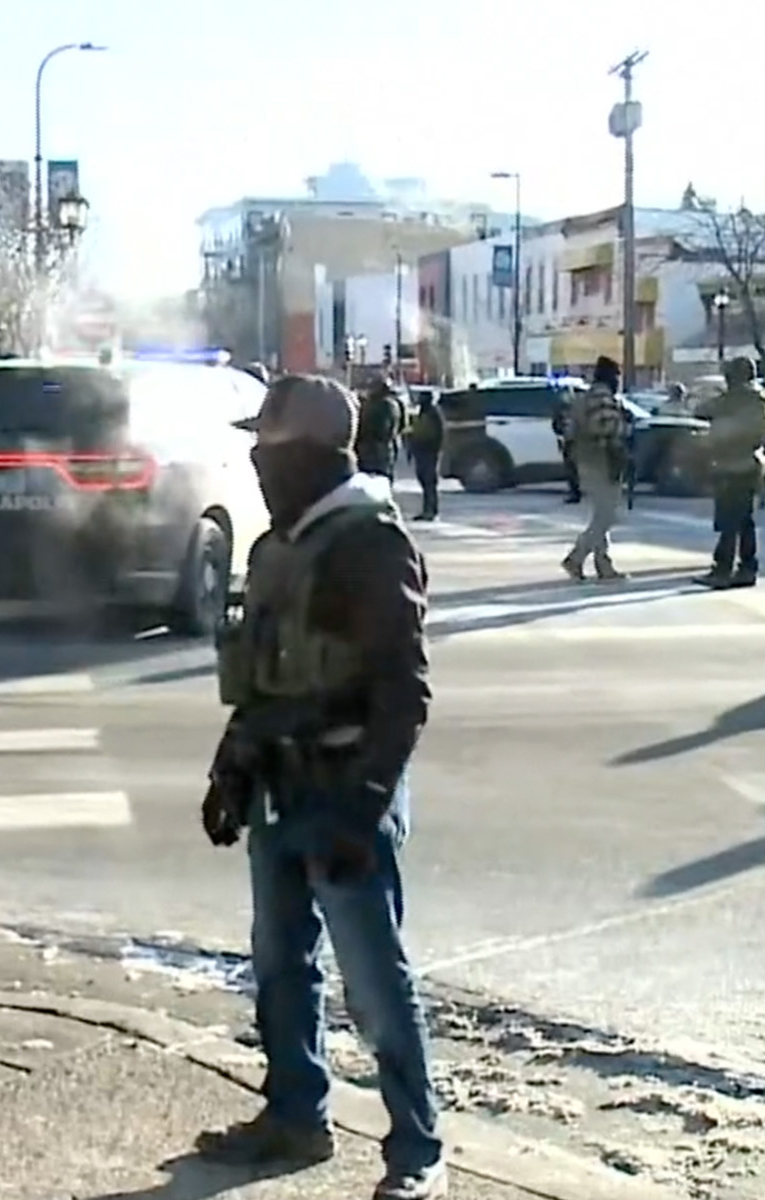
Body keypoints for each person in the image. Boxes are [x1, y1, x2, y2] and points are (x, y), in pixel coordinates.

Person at [198, 373, 445, 1200]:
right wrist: (230, 764)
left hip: (344, 790)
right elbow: (263, 675)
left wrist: (363, 806)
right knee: (280, 964)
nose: (257, 470)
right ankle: (296, 1117)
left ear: (311, 457)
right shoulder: (278, 547)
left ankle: (419, 1153)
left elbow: (402, 694)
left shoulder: (369, 543)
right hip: (279, 787)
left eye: (266, 454)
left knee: (376, 983)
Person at [694, 356, 765, 589]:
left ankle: (723, 570)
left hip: (733, 464)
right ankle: (747, 568)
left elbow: (701, 410)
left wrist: (727, 434)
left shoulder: (735, 398)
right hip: (753, 465)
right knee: (744, 521)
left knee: (729, 521)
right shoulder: (763, 399)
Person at [559, 357, 630, 582]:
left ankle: (603, 565)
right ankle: (576, 557)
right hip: (602, 460)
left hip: (585, 460)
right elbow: (608, 428)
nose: (618, 381)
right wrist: (625, 424)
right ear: (610, 377)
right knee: (607, 516)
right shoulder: (602, 398)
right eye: (617, 376)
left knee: (601, 514)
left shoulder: (584, 398)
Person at [404, 390, 443, 522]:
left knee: (429, 483)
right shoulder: (424, 413)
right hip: (422, 451)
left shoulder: (433, 414)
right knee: (425, 482)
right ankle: (427, 510)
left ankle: (431, 511)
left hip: (428, 451)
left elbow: (435, 434)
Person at [354, 379, 402, 479]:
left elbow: (366, 426)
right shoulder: (393, 405)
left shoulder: (375, 405)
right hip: (386, 447)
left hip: (371, 448)